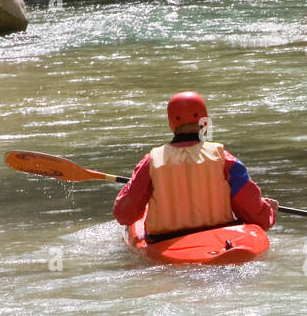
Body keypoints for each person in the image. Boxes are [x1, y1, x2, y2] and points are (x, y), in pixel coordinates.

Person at [112, 91, 277, 240]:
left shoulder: (151, 162)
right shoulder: (225, 159)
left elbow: (125, 215)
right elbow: (256, 216)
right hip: (220, 238)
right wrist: (267, 210)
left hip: (165, 242)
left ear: (171, 124)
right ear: (204, 123)